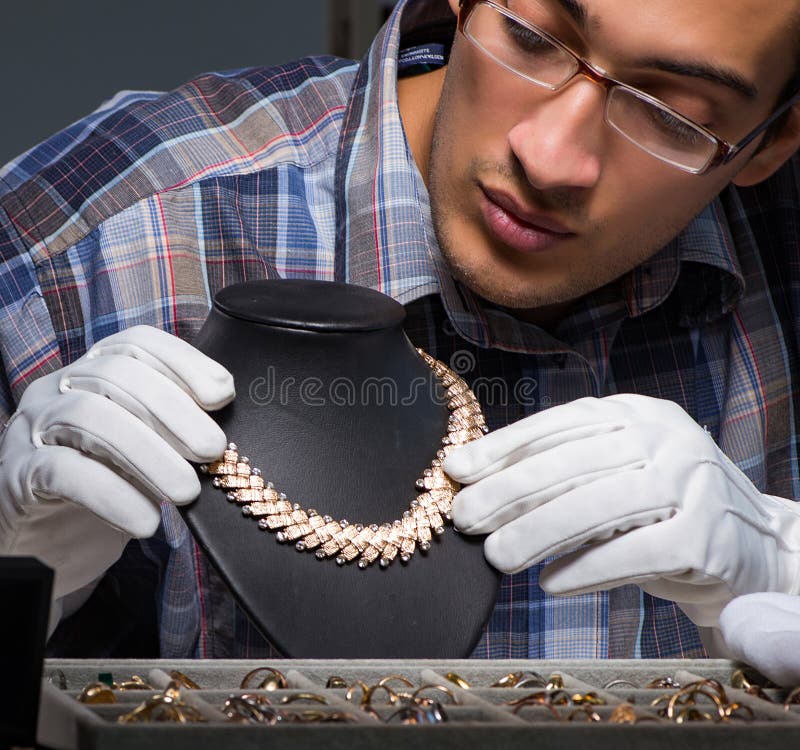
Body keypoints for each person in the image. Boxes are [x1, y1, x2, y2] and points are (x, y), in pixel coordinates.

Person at [1, 0, 799, 669]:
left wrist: (785, 572)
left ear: (772, 142)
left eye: (672, 117)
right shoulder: (81, 246)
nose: (550, 158)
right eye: (532, 37)